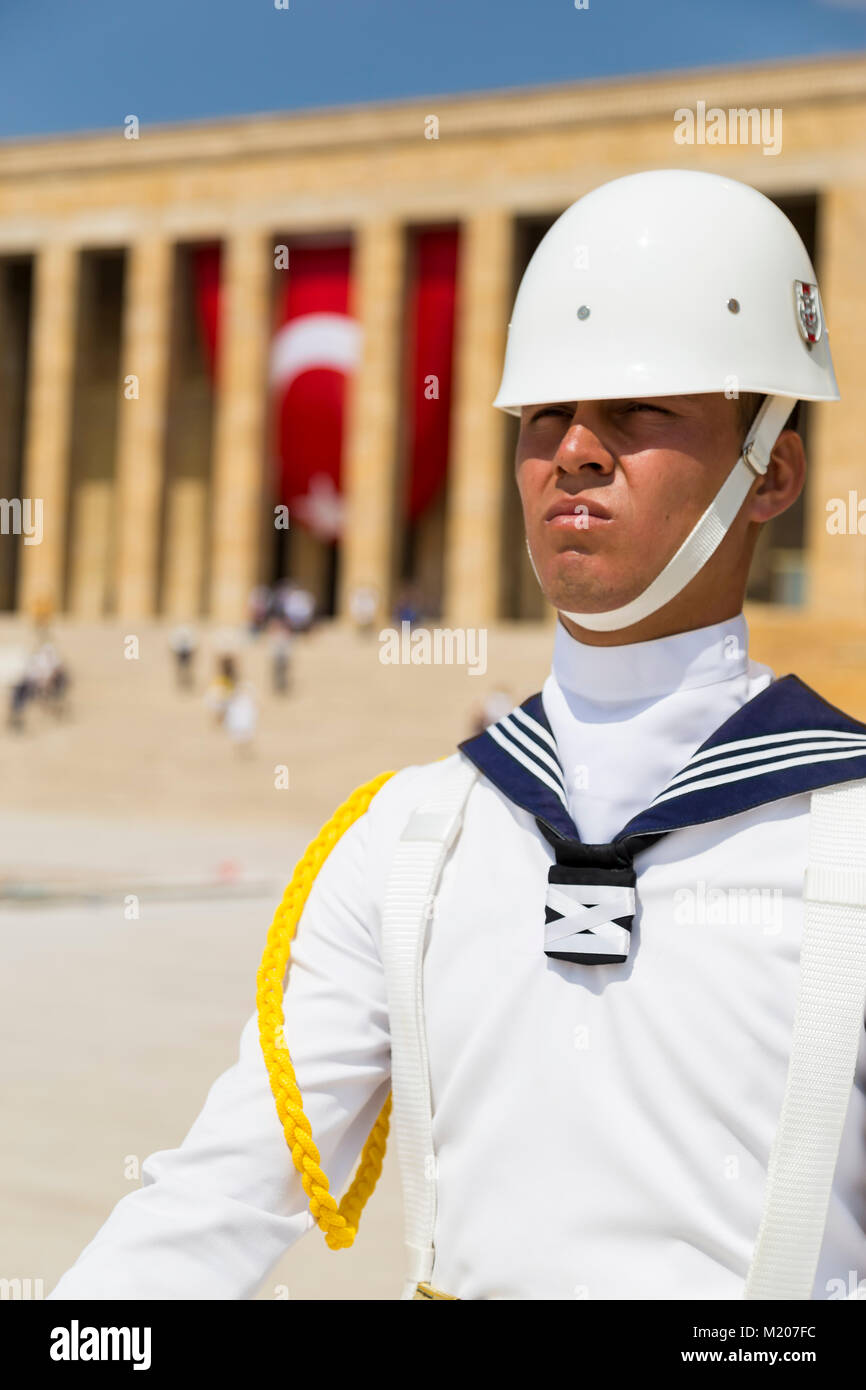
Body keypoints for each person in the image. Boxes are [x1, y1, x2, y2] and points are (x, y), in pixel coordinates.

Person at [48, 170, 866, 1302]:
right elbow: (216, 1202)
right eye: (543, 415)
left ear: (769, 470)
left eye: (637, 413)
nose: (573, 449)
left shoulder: (844, 837)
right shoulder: (408, 839)